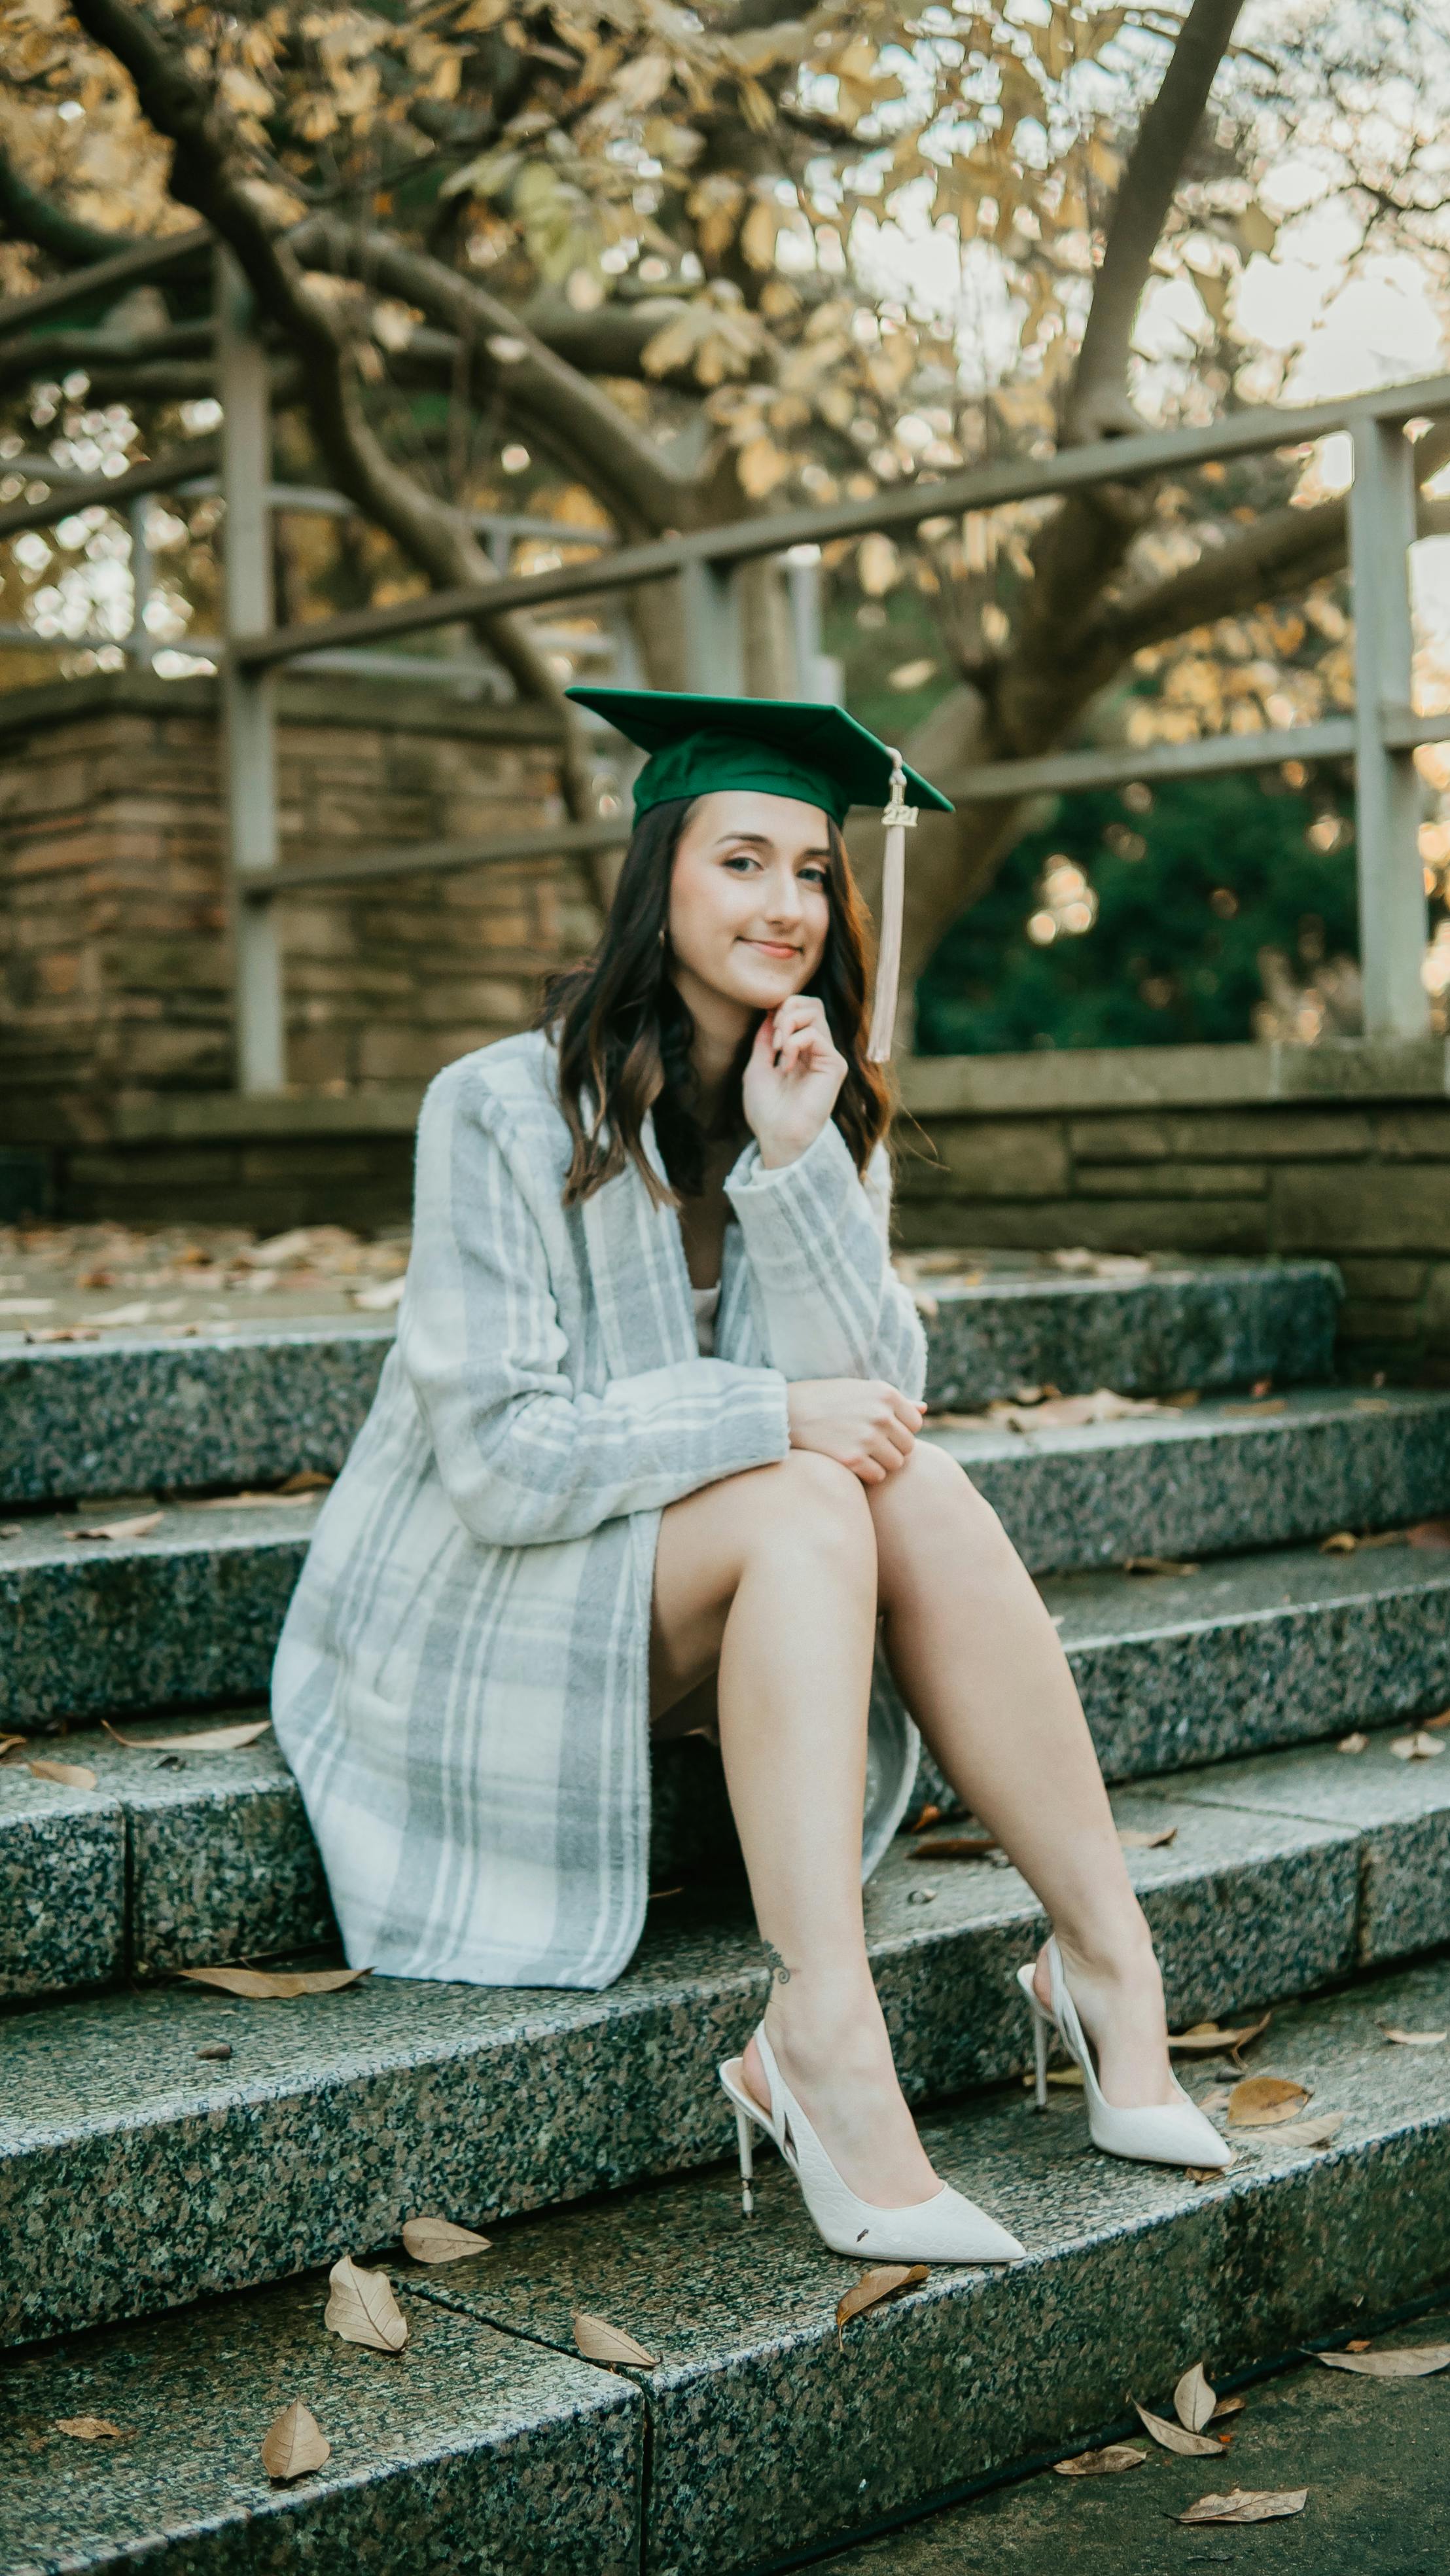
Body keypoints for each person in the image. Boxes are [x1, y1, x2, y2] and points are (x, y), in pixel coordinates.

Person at [272, 687, 1229, 2270]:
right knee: (798, 1486)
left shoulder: (815, 1109)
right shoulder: (498, 1108)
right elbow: (504, 1462)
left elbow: (882, 1414)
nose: (783, 903)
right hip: (474, 1617)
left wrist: (796, 1167)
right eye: (740, 860)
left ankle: (1108, 1958)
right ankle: (823, 2038)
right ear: (662, 877)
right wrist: (767, 1412)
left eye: (808, 870)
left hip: (690, 1600)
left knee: (894, 1487)